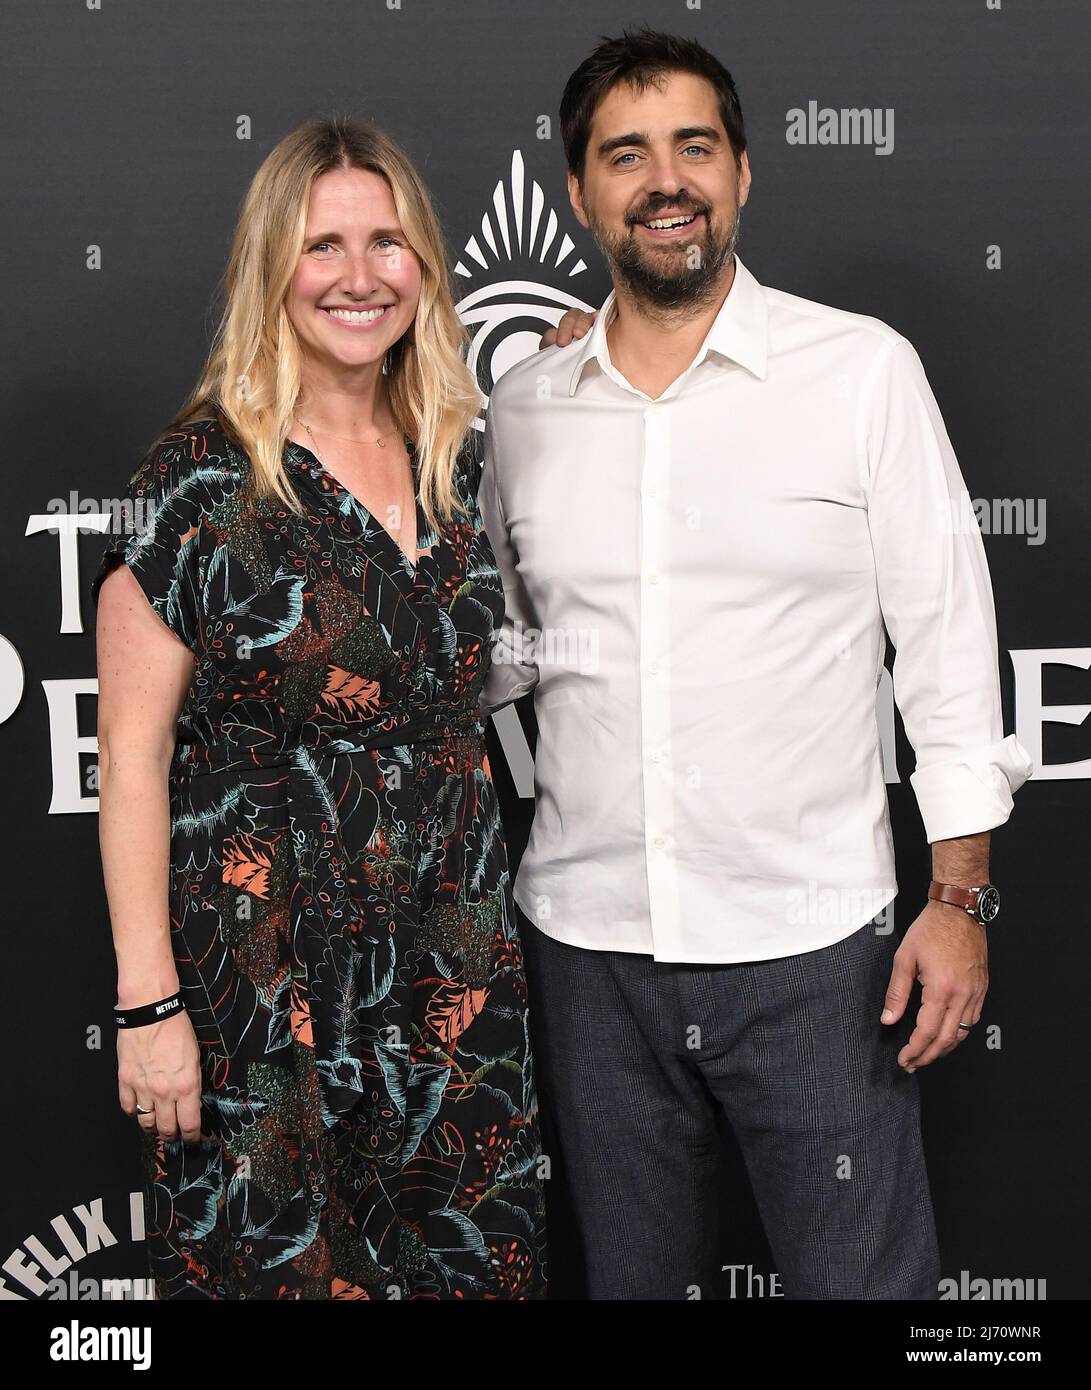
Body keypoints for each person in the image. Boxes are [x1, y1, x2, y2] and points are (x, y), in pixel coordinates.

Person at [479, 26, 1032, 1299]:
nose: (663, 181)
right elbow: (501, 651)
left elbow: (948, 653)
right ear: (579, 194)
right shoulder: (523, 411)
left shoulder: (858, 374)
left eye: (692, 147)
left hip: (818, 958)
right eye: (625, 154)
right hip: (588, 952)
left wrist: (956, 901)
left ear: (740, 174)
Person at [93, 116, 546, 1300]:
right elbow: (131, 761)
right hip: (263, 973)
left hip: (452, 960)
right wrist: (148, 1005)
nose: (359, 276)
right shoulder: (193, 480)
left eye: (387, 242)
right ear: (270, 270)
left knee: (466, 1267)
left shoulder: (461, 457)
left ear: (426, 265)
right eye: (323, 246)